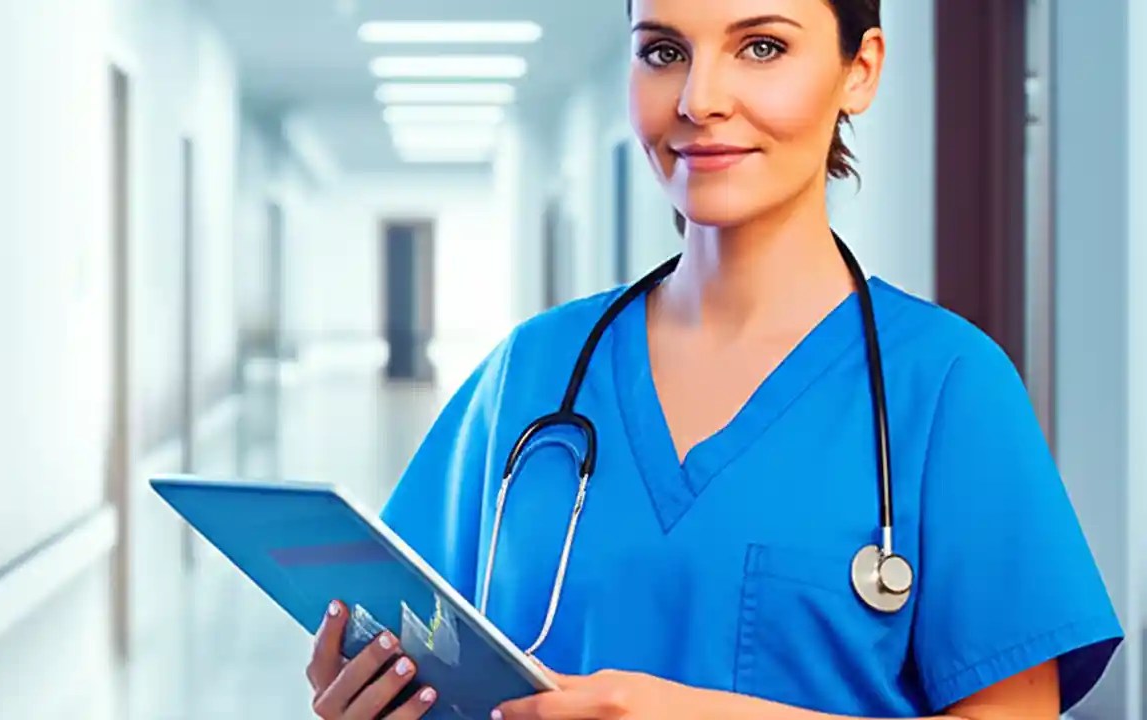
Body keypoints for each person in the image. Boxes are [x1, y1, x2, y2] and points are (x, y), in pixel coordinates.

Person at [304, 0, 1124, 717]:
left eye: (761, 46)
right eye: (663, 52)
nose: (700, 101)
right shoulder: (533, 370)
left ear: (860, 70)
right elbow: (424, 648)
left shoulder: (947, 388)